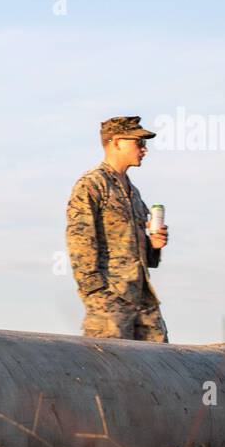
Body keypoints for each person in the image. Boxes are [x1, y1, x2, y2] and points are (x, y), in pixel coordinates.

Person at [66, 115, 171, 342]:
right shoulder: (92, 184)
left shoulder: (134, 192)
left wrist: (154, 246)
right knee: (112, 369)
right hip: (110, 297)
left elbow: (146, 256)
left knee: (159, 364)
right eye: (138, 142)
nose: (144, 149)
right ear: (116, 142)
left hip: (142, 299)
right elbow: (80, 240)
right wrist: (96, 292)